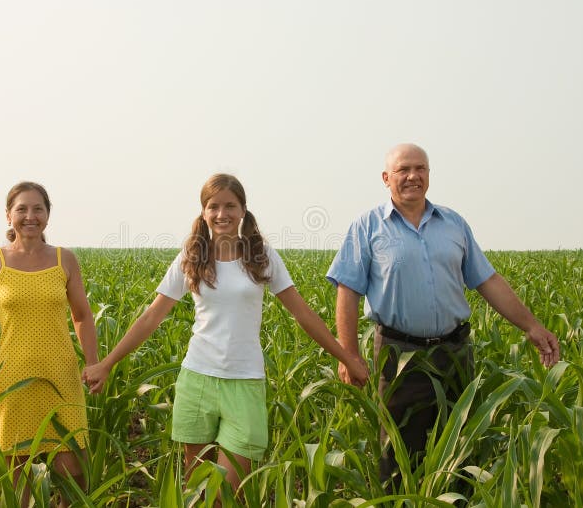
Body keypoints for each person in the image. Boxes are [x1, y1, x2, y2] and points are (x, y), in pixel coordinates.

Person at [82, 173, 370, 496]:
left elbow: (302, 313)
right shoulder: (191, 257)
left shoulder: (261, 256)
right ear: (203, 212)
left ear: (243, 209)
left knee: (227, 494)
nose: (222, 214)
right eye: (213, 206)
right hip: (197, 380)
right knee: (198, 493)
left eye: (230, 206)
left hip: (245, 381)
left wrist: (347, 357)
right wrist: (106, 363)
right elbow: (151, 317)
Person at [326, 143, 560, 489]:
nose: (412, 176)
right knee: (399, 456)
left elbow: (488, 280)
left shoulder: (453, 224)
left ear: (429, 175)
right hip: (398, 356)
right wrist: (348, 355)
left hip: (454, 353)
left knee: (461, 452)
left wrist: (532, 326)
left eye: (420, 169)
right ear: (386, 178)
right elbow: (347, 291)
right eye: (403, 170)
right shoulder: (367, 227)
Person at [0, 181, 99, 507]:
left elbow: (82, 316)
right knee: (18, 479)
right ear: (9, 215)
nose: (30, 216)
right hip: (12, 381)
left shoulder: (64, 260)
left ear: (48, 215)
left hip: (61, 377)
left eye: (38, 208)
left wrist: (93, 362)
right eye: (22, 209)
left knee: (73, 475)